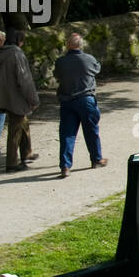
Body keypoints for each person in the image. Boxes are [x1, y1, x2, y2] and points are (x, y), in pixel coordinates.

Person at [53, 33, 106, 178]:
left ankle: (65, 166)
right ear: (81, 45)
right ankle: (96, 159)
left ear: (67, 45)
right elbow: (97, 69)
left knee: (67, 134)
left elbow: (57, 75)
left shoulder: (60, 62)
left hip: (67, 100)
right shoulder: (89, 59)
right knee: (91, 131)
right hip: (85, 99)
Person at [0, 29, 40, 172]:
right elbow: (25, 80)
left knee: (23, 123)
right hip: (16, 97)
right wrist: (33, 99)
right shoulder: (17, 54)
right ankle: (11, 163)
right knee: (15, 129)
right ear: (19, 41)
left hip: (4, 96)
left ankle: (26, 153)